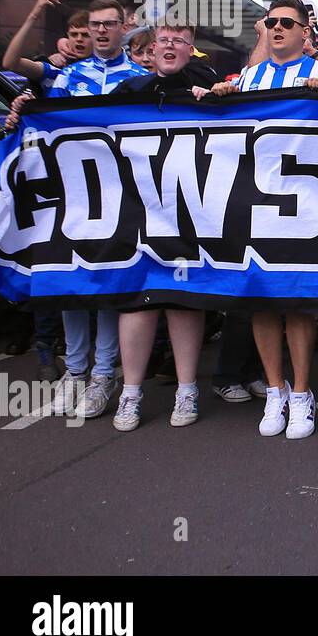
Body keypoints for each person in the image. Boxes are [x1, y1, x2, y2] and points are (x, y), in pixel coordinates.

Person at [204, 0, 318, 439]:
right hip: (255, 201)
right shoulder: (248, 77)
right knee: (262, 299)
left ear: (306, 32)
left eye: (287, 22)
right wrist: (217, 99)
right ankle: (276, 389)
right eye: (271, 22)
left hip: (306, 203)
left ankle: (302, 393)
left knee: (298, 300)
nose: (278, 28)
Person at [33, 0, 151, 420]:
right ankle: (74, 370)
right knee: (71, 280)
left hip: (119, 197)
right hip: (72, 195)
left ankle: (104, 375)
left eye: (108, 25)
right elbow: (43, 123)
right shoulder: (68, 75)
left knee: (107, 285)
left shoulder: (141, 78)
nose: (101, 31)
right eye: (95, 25)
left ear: (124, 29)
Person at [109, 21, 220, 430]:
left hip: (189, 211)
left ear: (191, 52)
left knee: (183, 297)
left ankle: (187, 388)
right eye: (164, 41)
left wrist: (213, 99)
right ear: (150, 51)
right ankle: (130, 392)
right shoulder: (127, 92)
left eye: (180, 42)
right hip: (137, 211)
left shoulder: (205, 88)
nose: (171, 46)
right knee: (137, 297)